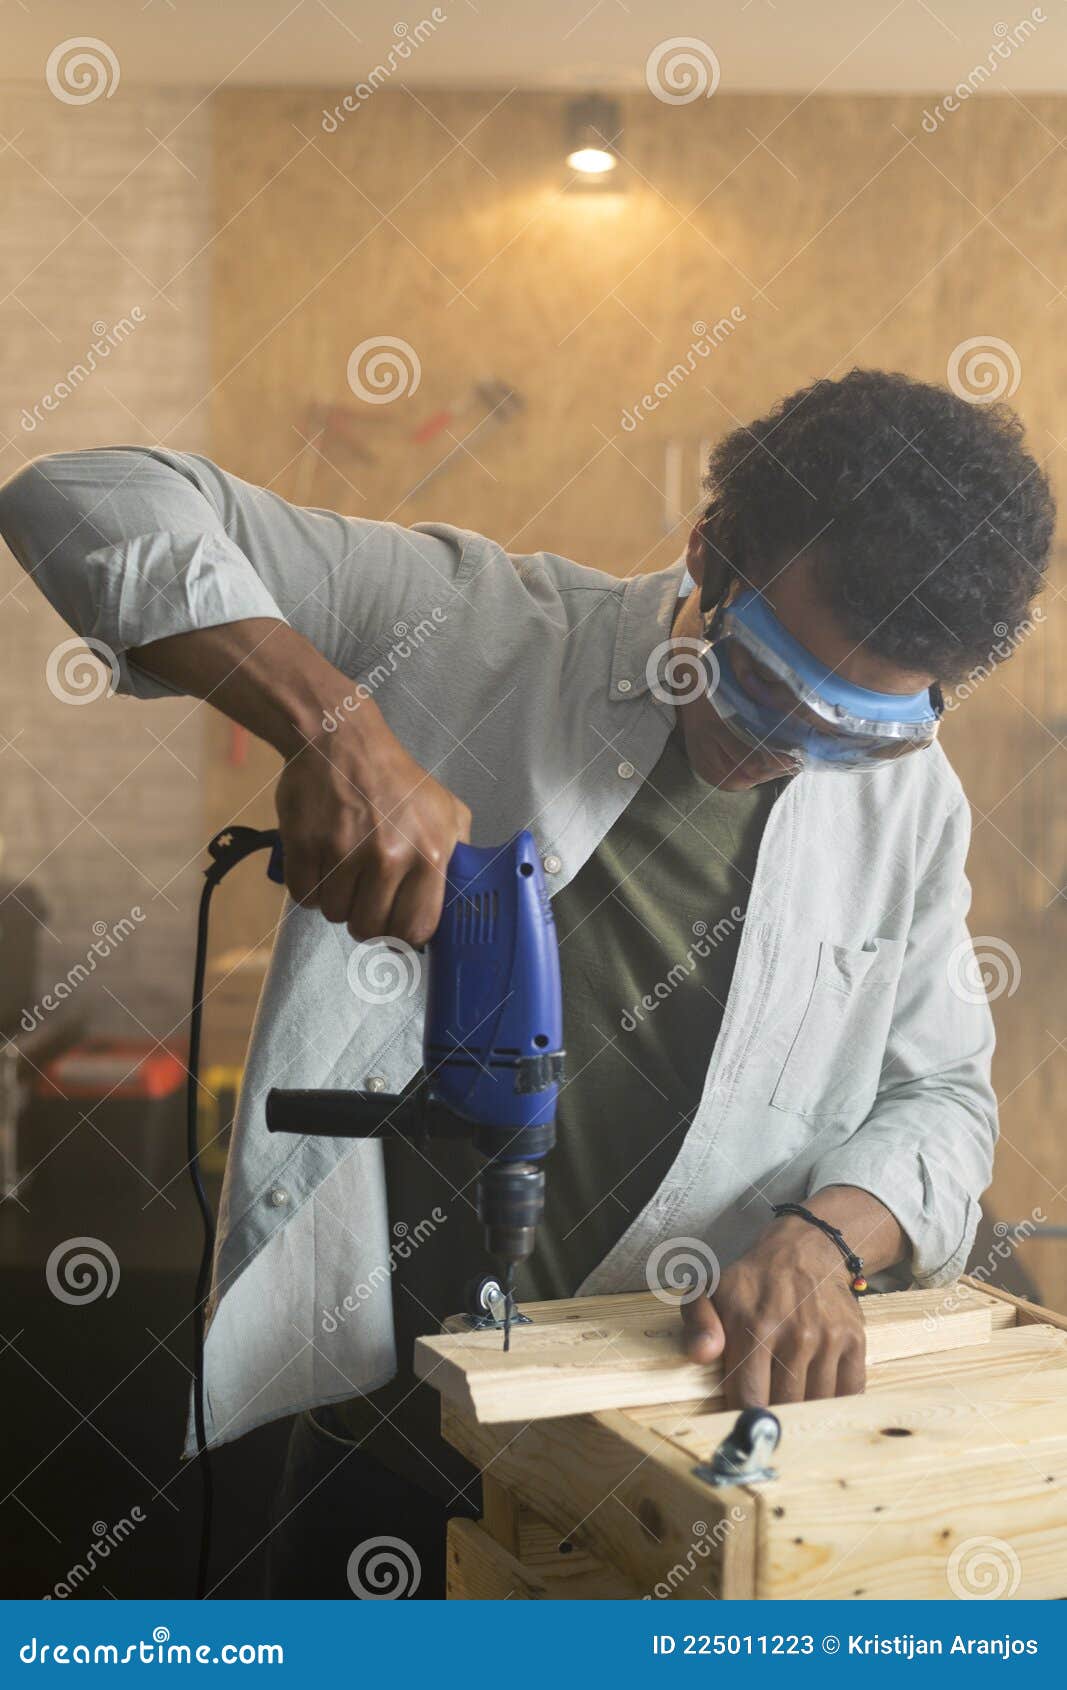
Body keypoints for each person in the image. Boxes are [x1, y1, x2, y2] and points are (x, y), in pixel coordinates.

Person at [0, 368, 1053, 1597]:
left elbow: (940, 1097)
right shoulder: (468, 622)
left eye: (853, 734)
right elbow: (82, 496)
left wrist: (824, 1240)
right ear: (708, 552)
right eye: (763, 683)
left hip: (671, 1457)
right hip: (391, 1431)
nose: (784, 749)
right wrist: (334, 726)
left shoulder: (912, 808)